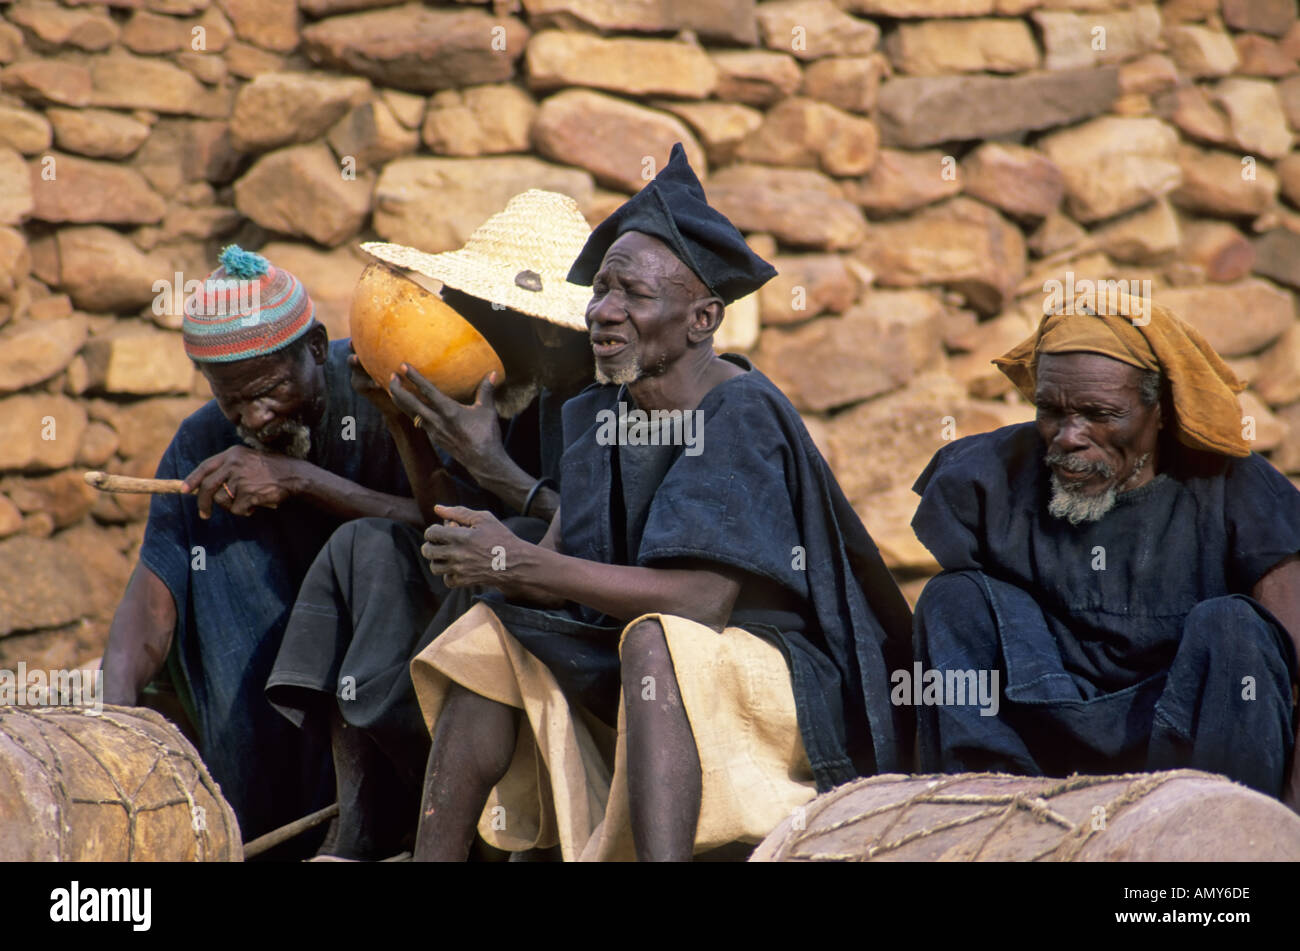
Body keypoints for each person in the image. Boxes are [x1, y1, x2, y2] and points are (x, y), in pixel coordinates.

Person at [409, 144, 914, 862]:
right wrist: (487, 554)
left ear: (702, 319)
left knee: (655, 638)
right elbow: (554, 564)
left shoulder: (741, 409)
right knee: (489, 633)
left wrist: (516, 562)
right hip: (659, 666)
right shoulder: (597, 414)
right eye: (600, 290)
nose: (604, 313)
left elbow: (702, 602)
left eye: (635, 296)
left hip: (771, 680)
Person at [265, 190, 595, 860]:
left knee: (512, 541)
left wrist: (500, 470)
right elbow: (439, 511)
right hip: (486, 584)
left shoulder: (602, 398)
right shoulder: (515, 395)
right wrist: (401, 419)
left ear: (539, 325)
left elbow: (600, 535)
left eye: (473, 306)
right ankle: (357, 827)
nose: (454, 317)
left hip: (571, 608)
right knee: (366, 546)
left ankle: (442, 826)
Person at [910, 289, 1300, 810]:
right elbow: (957, 636)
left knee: (1235, 623)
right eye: (1051, 411)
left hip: (1187, 748)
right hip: (1043, 738)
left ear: (1160, 412)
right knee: (952, 596)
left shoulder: (1236, 487)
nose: (1069, 437)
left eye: (1100, 414)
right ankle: (982, 806)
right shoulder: (989, 475)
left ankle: (1232, 817)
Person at [101, 245, 413, 842]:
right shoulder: (204, 441)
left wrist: (301, 480)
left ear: (315, 348)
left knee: (369, 546)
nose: (255, 418)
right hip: (261, 695)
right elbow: (152, 600)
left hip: (391, 651)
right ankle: (255, 821)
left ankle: (359, 831)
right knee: (211, 538)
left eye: (268, 390)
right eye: (233, 401)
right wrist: (111, 722)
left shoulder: (380, 396)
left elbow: (447, 525)